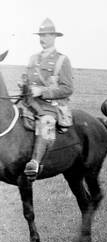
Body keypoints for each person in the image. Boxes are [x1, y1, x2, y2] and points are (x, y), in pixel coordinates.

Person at [22, 18, 74, 177]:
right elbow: (27, 79)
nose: (42, 39)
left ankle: (35, 163)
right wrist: (23, 84)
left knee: (46, 122)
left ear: (54, 37)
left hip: (51, 107)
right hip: (29, 103)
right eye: (41, 35)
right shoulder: (33, 58)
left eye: (46, 35)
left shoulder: (62, 60)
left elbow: (68, 88)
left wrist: (43, 92)